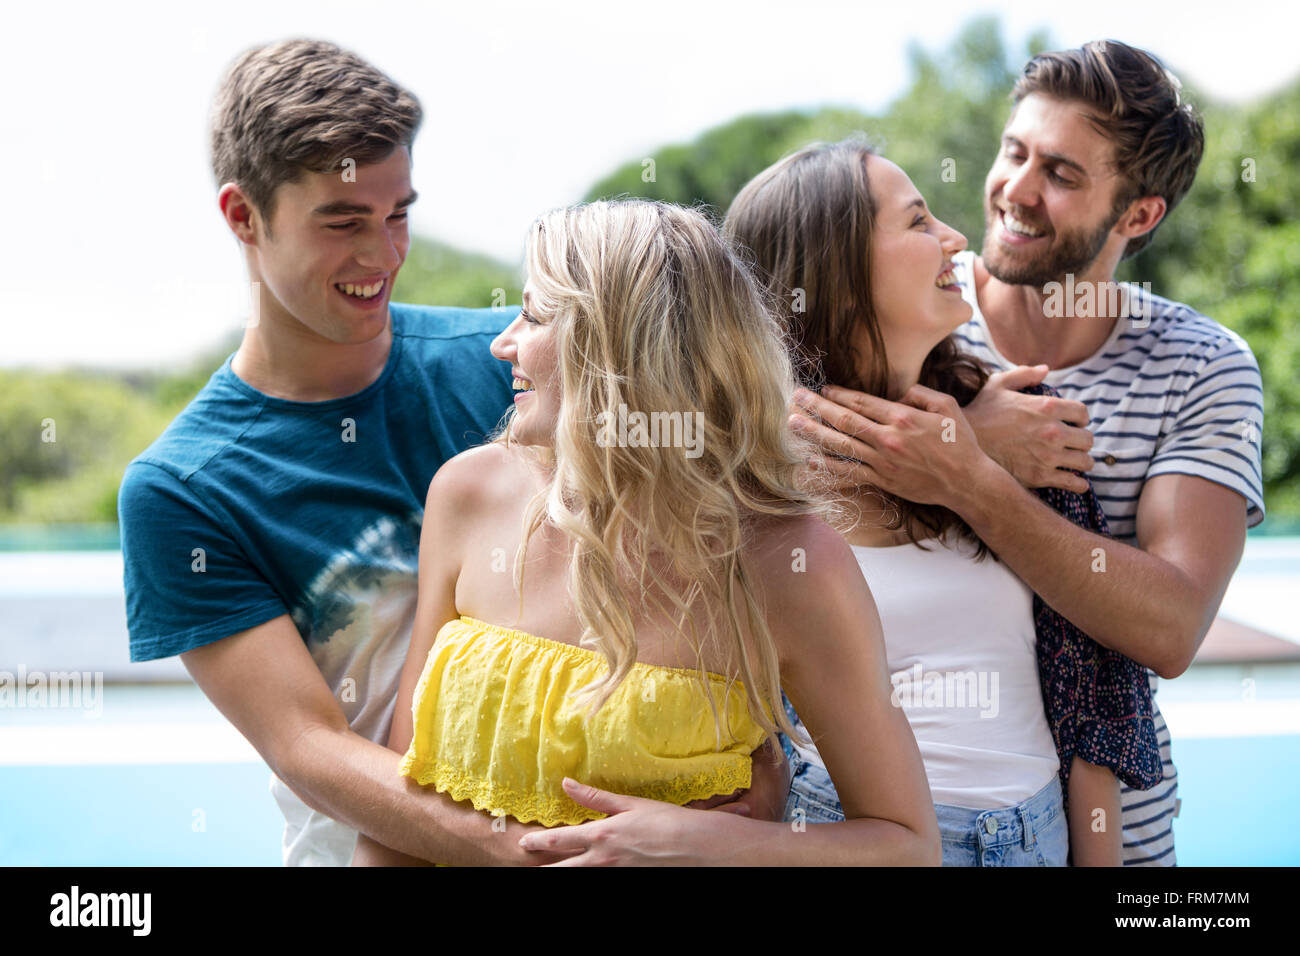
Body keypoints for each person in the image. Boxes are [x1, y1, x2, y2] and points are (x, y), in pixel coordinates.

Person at [117, 38, 783, 868]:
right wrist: (525, 850)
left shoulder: (515, 367)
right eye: (344, 221)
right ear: (243, 216)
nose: (383, 254)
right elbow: (305, 743)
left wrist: (746, 776)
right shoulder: (182, 490)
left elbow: (717, 542)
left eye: (398, 214)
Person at [786, 40, 1265, 866]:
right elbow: (772, 457)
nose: (1017, 189)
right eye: (1015, 152)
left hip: (1120, 839)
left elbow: (1173, 625)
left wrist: (971, 479)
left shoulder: (1202, 366)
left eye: (1063, 174)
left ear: (1138, 215)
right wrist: (974, 436)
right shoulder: (915, 301)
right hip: (893, 822)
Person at [352, 200, 941, 866]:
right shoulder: (466, 493)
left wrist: (714, 844)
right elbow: (402, 799)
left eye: (537, 314)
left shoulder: (791, 561)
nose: (502, 342)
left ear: (623, 343)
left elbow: (906, 844)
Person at [725, 139, 1161, 866]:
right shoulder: (754, 475)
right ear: (833, 272)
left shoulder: (1022, 423)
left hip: (1034, 839)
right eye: (919, 221)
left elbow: (1094, 690)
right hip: (840, 836)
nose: (957, 239)